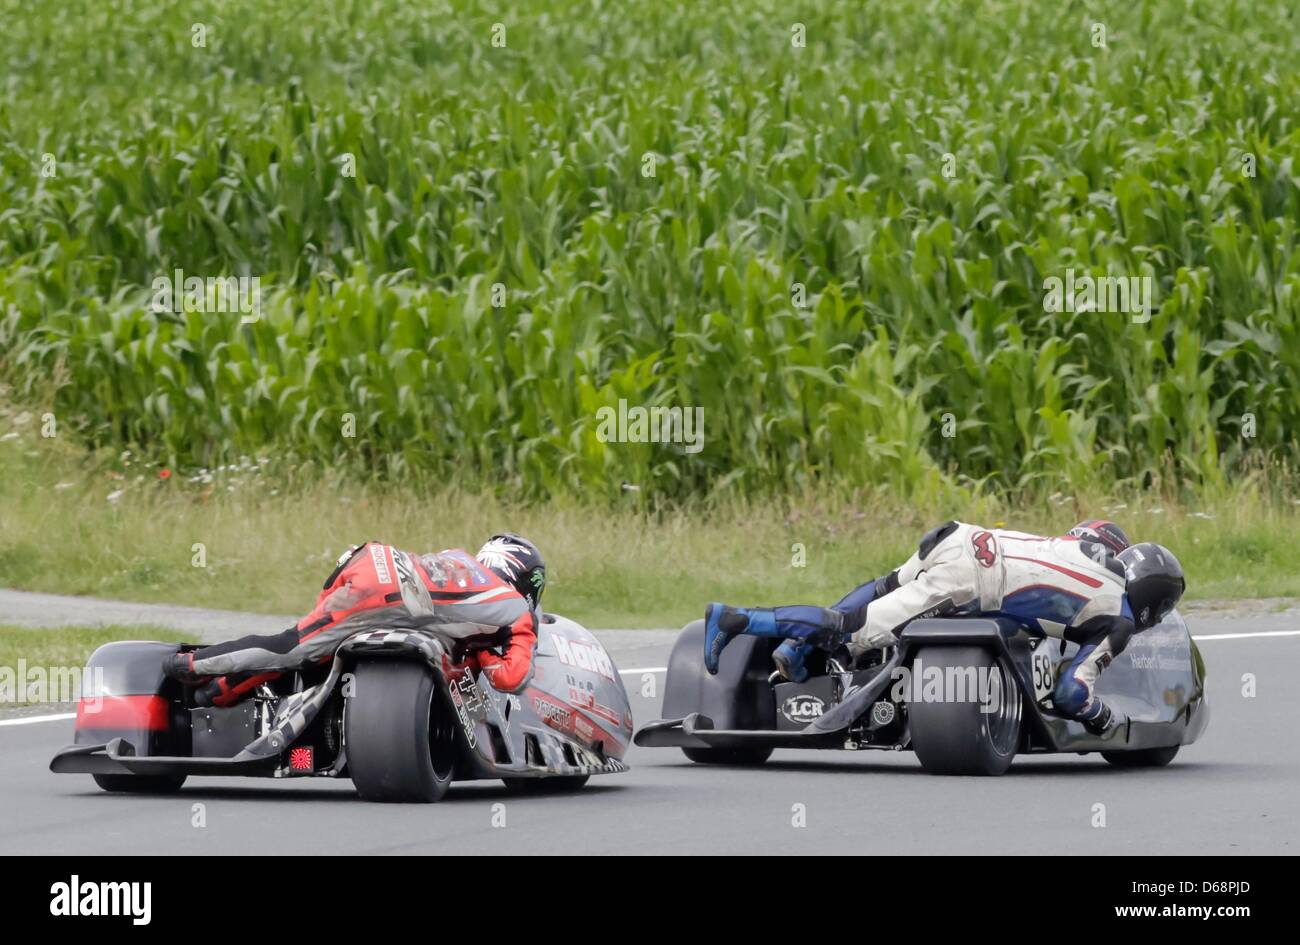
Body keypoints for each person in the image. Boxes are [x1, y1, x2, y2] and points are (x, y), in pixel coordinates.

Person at [703, 520, 1184, 733]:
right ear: (1152, 603)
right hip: (969, 580)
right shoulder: (1118, 620)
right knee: (852, 629)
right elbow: (1070, 695)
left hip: (961, 537)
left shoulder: (1084, 550)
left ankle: (794, 652)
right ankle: (737, 618)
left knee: (881, 586)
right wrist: (1104, 716)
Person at [162, 534, 546, 706]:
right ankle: (193, 664)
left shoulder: (462, 561)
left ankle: (220, 691)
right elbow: (510, 678)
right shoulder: (516, 610)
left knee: (316, 653)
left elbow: (439, 620)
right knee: (293, 647)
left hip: (371, 558)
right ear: (527, 582)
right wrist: (486, 657)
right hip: (383, 592)